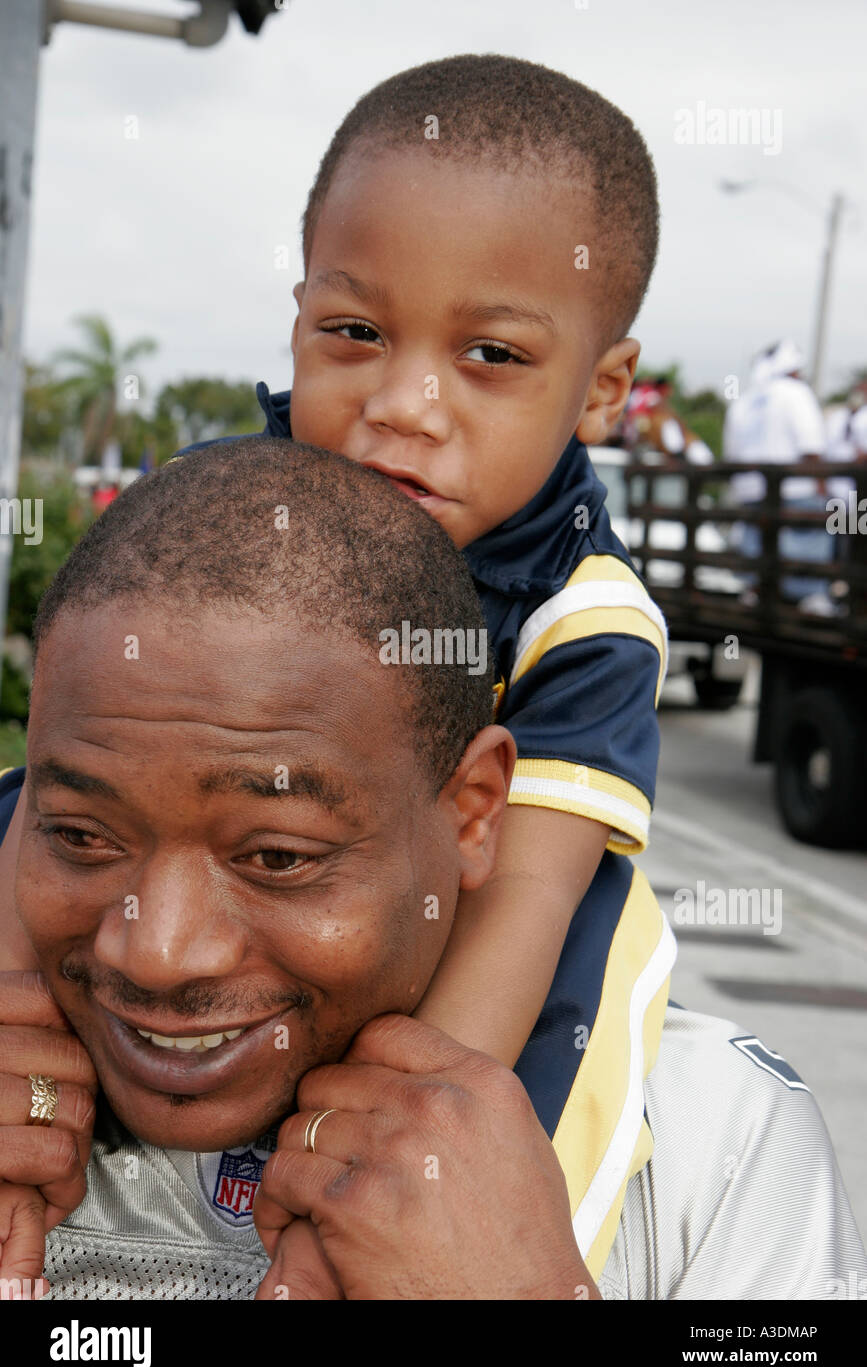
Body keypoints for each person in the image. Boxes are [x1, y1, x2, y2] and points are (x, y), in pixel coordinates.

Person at [3, 54, 674, 1254]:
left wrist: (380, 1162)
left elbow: (525, 890)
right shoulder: (222, 500)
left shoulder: (585, 613)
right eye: (355, 332)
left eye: (492, 357)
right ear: (299, 319)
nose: (404, 402)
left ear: (602, 390)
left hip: (491, 952)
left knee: (557, 1038)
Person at [0, 439, 863, 1300]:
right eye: (80, 837)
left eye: (276, 857)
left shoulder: (716, 1144)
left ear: (474, 811)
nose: (155, 953)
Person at [723, 340, 829, 604]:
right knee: (825, 515)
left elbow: (731, 455)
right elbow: (812, 447)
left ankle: (755, 591)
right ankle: (810, 595)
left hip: (750, 496)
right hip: (793, 493)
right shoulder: (796, 392)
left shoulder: (744, 400)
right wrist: (822, 487)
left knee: (758, 538)